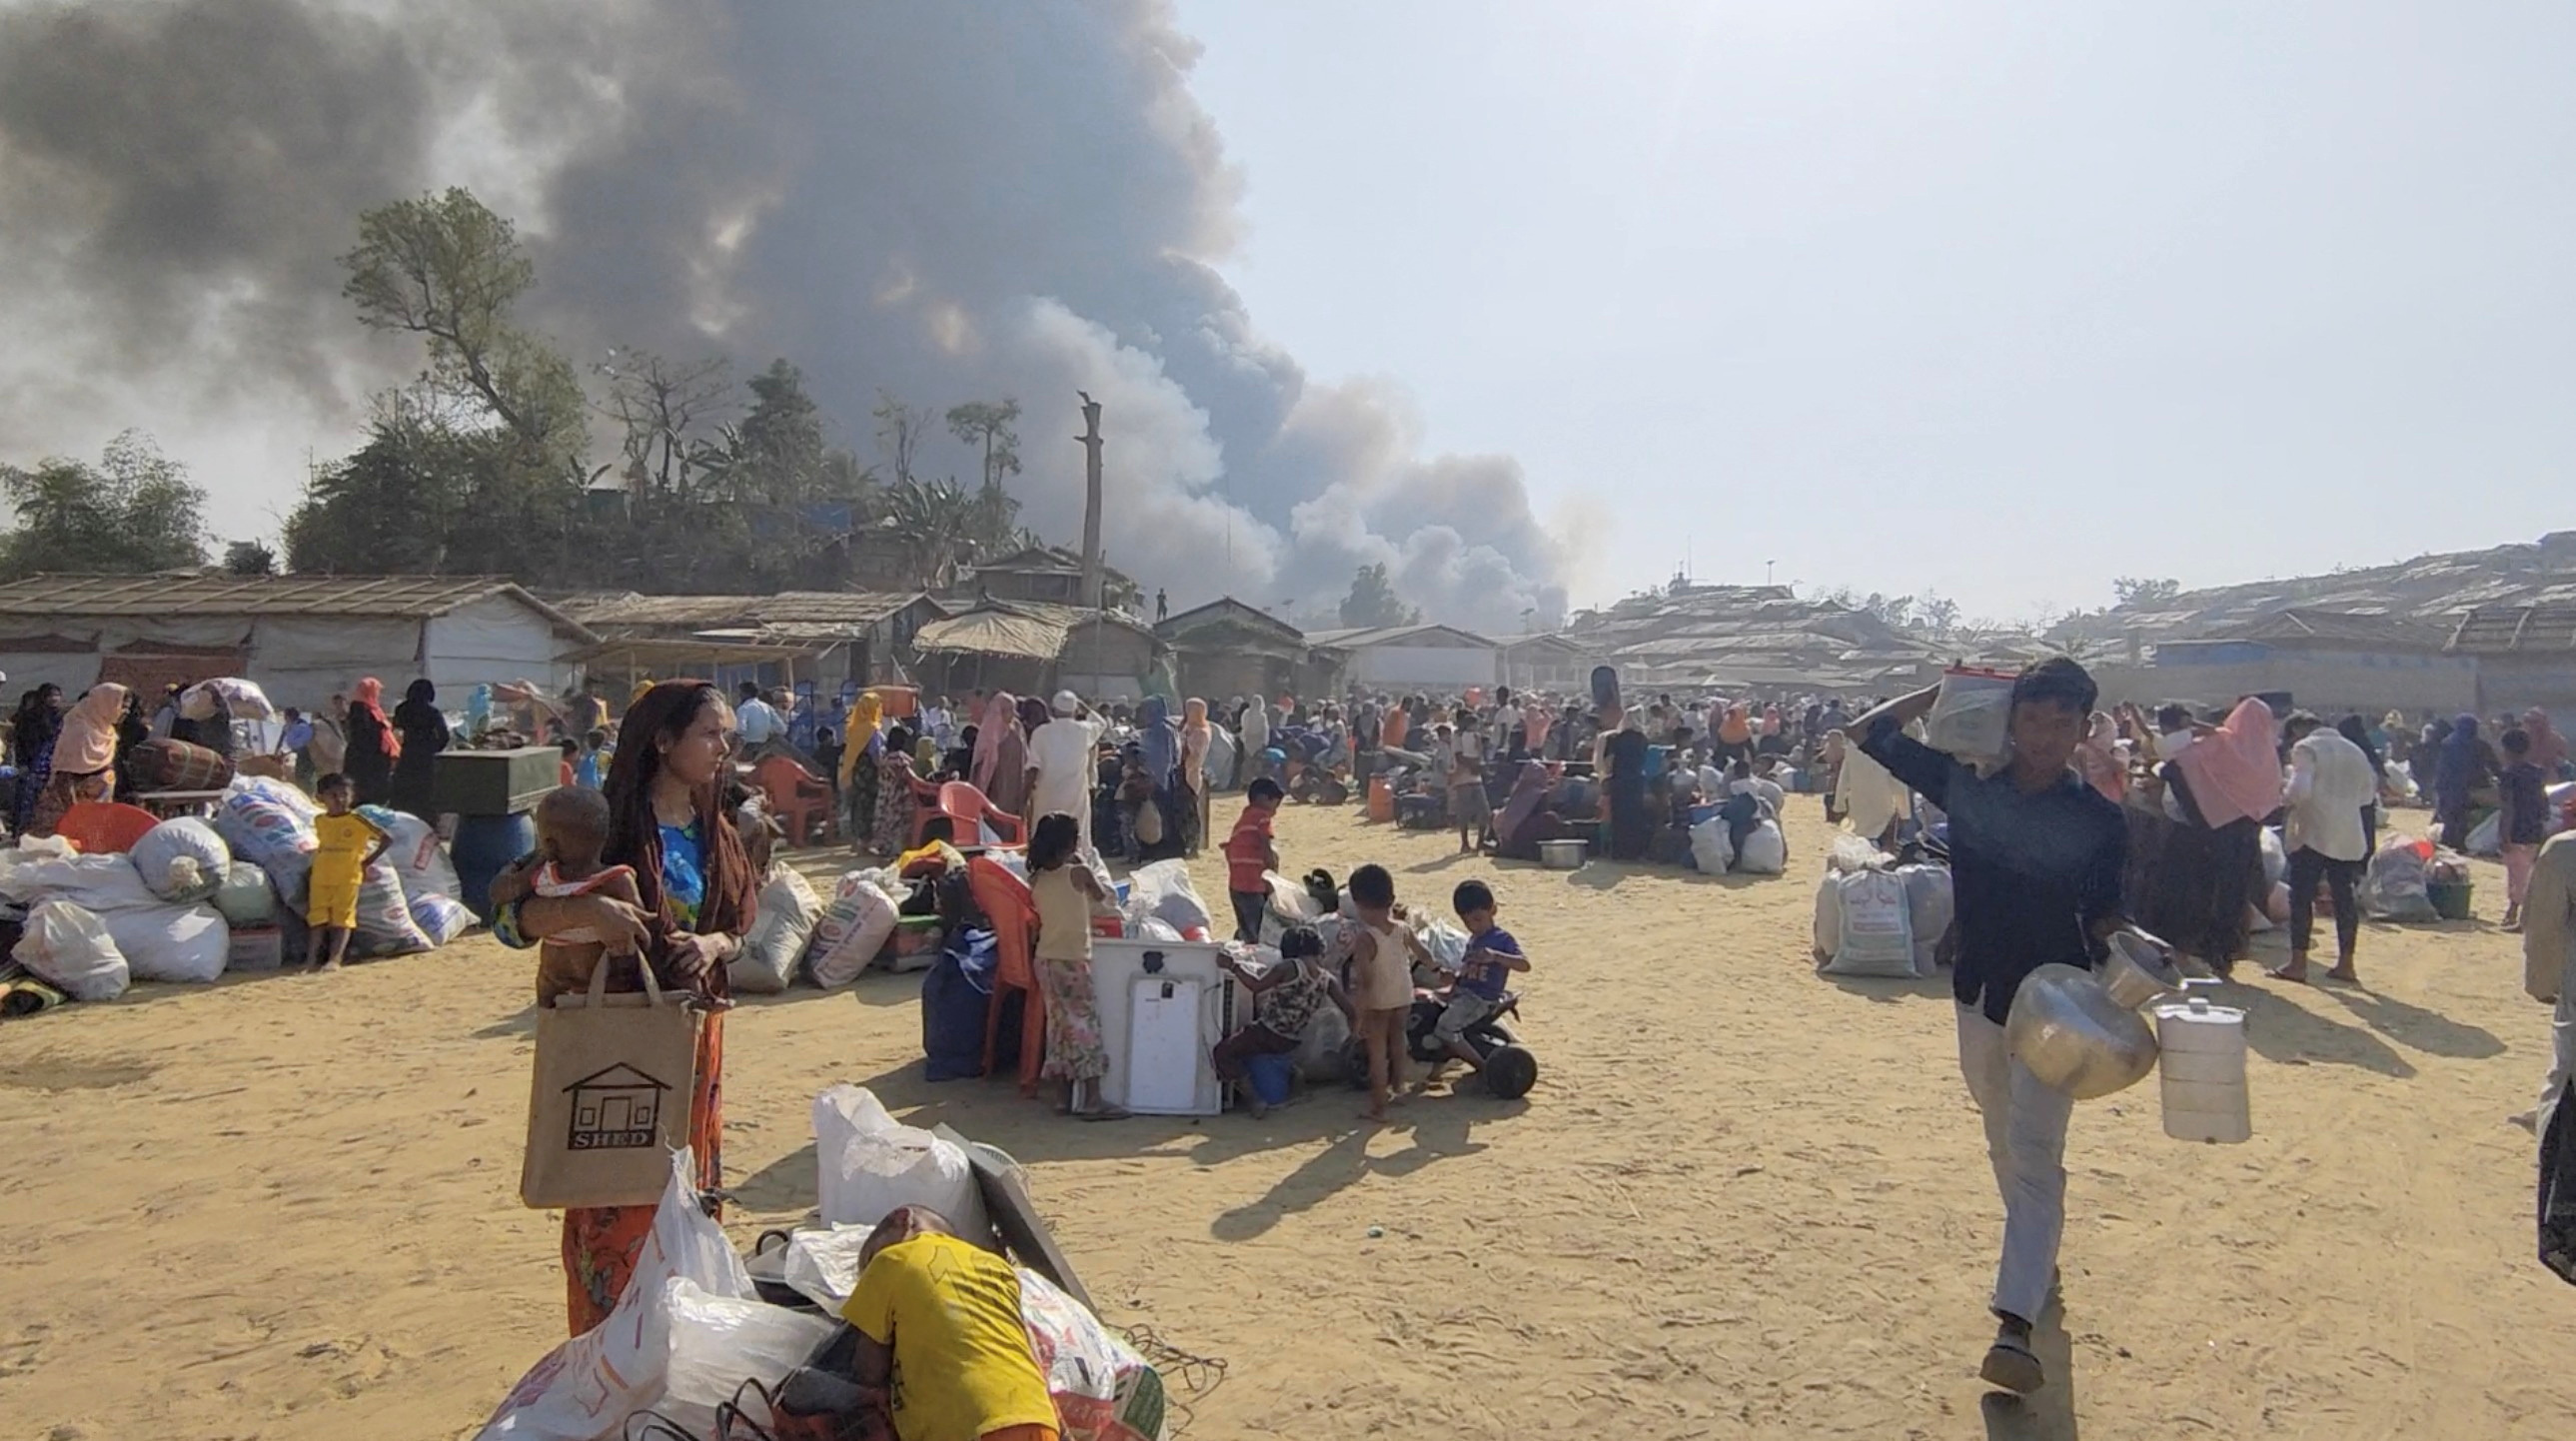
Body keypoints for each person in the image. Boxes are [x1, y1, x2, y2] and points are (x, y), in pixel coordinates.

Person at [1851, 657, 2129, 1396]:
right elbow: (1868, 732)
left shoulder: (2100, 820)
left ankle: (2015, 1323)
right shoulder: (1967, 790)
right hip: (1977, 994)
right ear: (2012, 721)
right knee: (2001, 1137)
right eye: (2032, 719)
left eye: (2061, 722)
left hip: (2057, 1009)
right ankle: (2035, 1254)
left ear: (2083, 729)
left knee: (2035, 1152)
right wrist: (1952, 691)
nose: (2044, 736)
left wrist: (2140, 955)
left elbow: (2106, 915)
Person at [491, 681, 755, 1335]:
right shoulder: (598, 831)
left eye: (727, 735)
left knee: (688, 1199)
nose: (725, 748)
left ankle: (677, 1348)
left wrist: (715, 941)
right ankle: (609, 1356)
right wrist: (586, 910)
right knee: (615, 1193)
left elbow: (739, 926)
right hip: (615, 1043)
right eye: (711, 734)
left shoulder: (714, 830)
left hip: (693, 1040)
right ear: (664, 742)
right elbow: (506, 917)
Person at [836, 1205, 1061, 1441]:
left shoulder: (892, 1259)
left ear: (902, 1220)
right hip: (1036, 1419)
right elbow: (1030, 1350)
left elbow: (869, 1369)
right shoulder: (995, 1266)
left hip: (966, 1424)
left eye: (870, 1258)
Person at [1028, 812, 1121, 1119]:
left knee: (1058, 1028)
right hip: (1073, 958)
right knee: (1084, 1025)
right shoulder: (1078, 872)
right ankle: (1093, 1098)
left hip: (1045, 958)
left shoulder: (1038, 877)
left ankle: (1061, 1097)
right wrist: (1084, 863)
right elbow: (1103, 898)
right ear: (1070, 843)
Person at [2272, 712, 2377, 984]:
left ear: (2298, 730)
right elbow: (2367, 795)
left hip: (2313, 832)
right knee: (2344, 897)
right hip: (2348, 832)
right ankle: (2346, 963)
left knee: (2301, 897)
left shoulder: (2307, 748)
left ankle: (2298, 963)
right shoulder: (2355, 750)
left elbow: (2300, 790)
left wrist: (2284, 797)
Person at [1346, 862, 1430, 1122]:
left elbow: (1365, 982)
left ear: (1358, 904)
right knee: (1398, 1040)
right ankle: (1399, 1088)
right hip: (1403, 993)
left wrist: (1358, 1016)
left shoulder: (1365, 938)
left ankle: (1378, 1106)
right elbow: (1423, 953)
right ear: (1391, 899)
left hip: (1379, 1001)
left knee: (1377, 1052)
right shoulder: (1403, 928)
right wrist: (1437, 967)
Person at [1426, 879, 1530, 1084]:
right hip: (1463, 992)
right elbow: (1467, 970)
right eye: (1467, 922)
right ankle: (1435, 1065)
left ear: (1493, 910)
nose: (1473, 926)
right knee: (1427, 1008)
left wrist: (1496, 957)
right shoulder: (1473, 940)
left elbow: (1524, 965)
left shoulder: (1502, 939)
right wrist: (1452, 979)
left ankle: (1484, 1068)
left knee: (1446, 1028)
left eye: (1477, 919)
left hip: (1480, 998)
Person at [304, 773, 390, 971]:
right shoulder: (320, 821)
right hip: (321, 875)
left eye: (344, 794)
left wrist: (366, 862)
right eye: (333, 795)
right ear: (321, 798)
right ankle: (310, 961)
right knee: (317, 918)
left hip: (347, 876)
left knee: (342, 918)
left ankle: (335, 959)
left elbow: (386, 839)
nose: (339, 800)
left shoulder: (357, 820)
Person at [29, 684, 127, 837]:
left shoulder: (106, 731)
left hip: (98, 806)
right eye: (120, 705)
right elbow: (64, 776)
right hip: (72, 806)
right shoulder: (80, 730)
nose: (124, 711)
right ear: (104, 704)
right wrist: (75, 816)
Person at [1025, 692, 1106, 853]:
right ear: (1076, 710)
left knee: (1045, 833)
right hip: (1075, 795)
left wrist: (1024, 798)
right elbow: (1101, 723)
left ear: (1053, 710)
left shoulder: (1041, 732)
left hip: (1046, 796)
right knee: (1076, 835)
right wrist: (1084, 707)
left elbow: (1033, 768)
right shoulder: (1084, 731)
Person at [2500, 727, 2550, 932]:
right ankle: (2519, 913)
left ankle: (2515, 913)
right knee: (2529, 872)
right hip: (2534, 828)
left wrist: (2504, 833)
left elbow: (2508, 806)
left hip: (2516, 830)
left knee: (2517, 874)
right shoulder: (2536, 772)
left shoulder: (2508, 774)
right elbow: (2543, 800)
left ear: (2507, 750)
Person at [1224, 777, 1285, 941]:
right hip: (1253, 885)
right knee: (1258, 931)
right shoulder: (1262, 817)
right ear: (1264, 799)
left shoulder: (1244, 819)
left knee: (1245, 927)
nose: (1275, 812)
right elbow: (1265, 844)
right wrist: (1272, 876)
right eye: (1275, 805)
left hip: (1236, 884)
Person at [2432, 715, 2495, 851]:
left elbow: (2441, 769)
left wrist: (2439, 786)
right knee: (2464, 816)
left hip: (2450, 787)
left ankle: (2449, 842)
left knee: (2451, 816)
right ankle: (2461, 841)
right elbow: (2494, 765)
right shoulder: (2480, 745)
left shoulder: (2447, 743)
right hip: (2474, 788)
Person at [388, 680, 449, 820]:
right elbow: (444, 736)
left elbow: (396, 731)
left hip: (408, 752)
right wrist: (435, 748)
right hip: (426, 755)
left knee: (404, 786)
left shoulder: (402, 709)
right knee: (425, 789)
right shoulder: (432, 712)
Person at [8, 684, 62, 837]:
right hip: (32, 764)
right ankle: (21, 833)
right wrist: (23, 762)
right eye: (50, 695)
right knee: (26, 800)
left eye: (57, 695)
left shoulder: (61, 718)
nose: (54, 699)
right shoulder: (30, 717)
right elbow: (22, 741)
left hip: (52, 766)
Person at [1448, 705, 1492, 854]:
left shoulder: (1472, 736)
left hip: (1474, 776)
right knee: (1464, 812)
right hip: (1462, 776)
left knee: (1484, 811)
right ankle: (1465, 843)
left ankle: (1480, 842)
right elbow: (1459, 757)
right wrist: (1475, 765)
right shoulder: (1457, 737)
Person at [1179, 698, 1214, 856]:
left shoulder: (1202, 731)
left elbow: (1195, 755)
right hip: (1182, 773)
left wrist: (1185, 741)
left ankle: (1193, 845)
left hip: (1192, 774)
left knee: (1191, 811)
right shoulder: (1188, 728)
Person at [309, 694, 350, 785]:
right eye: (336, 704)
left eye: (341, 703)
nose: (339, 707)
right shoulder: (332, 722)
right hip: (338, 756)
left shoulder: (354, 719)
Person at [734, 681, 783, 753]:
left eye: (741, 693)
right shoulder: (767, 707)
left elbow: (741, 729)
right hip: (766, 746)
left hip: (749, 747)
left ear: (746, 694)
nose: (739, 695)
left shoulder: (743, 708)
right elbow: (782, 728)